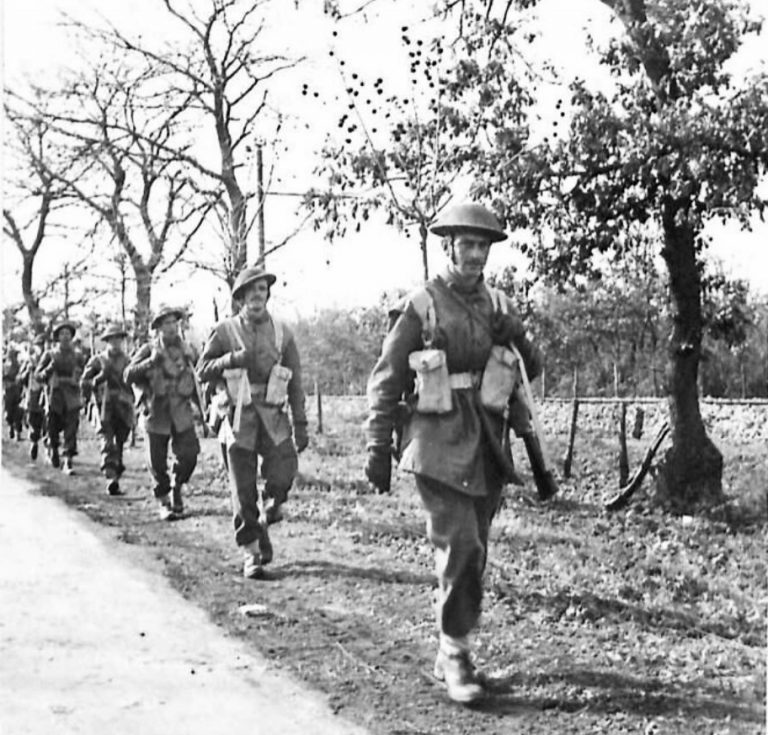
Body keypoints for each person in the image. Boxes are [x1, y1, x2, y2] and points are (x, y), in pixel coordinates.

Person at [364, 203, 545, 704]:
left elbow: (532, 368)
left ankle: (451, 648)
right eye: (466, 244)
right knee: (461, 545)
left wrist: (517, 335)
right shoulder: (422, 305)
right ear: (449, 246)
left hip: (487, 441)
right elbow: (386, 378)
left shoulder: (499, 304)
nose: (475, 254)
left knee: (474, 550)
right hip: (436, 441)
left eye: (483, 246)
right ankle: (457, 656)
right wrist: (377, 442)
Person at [197, 264, 308, 580]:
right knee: (243, 488)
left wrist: (301, 423)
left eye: (262, 290)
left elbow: (296, 381)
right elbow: (201, 370)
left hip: (273, 415)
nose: (257, 296)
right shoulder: (224, 331)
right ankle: (251, 552)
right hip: (238, 417)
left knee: (284, 472)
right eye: (250, 291)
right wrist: (231, 359)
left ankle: (268, 513)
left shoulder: (283, 332)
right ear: (240, 297)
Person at [124, 306, 200, 520]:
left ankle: (177, 485)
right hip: (156, 412)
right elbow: (128, 375)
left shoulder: (187, 349)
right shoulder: (148, 349)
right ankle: (164, 500)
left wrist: (202, 410)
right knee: (156, 462)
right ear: (158, 328)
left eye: (175, 322)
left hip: (181, 411)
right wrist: (151, 361)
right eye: (167, 323)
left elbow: (199, 377)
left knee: (190, 455)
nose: (172, 327)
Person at [81, 323, 135, 496]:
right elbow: (84, 383)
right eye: (112, 339)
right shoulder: (98, 360)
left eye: (119, 339)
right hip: (104, 406)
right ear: (107, 341)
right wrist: (98, 379)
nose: (116, 343)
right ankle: (110, 477)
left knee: (119, 443)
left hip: (123, 407)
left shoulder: (128, 361)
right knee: (107, 441)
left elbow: (135, 383)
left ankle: (116, 477)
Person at [35, 321, 86, 474]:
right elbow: (38, 375)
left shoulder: (78, 356)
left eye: (68, 334)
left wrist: (78, 378)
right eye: (62, 334)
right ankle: (53, 450)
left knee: (71, 429)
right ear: (57, 337)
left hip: (72, 396)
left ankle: (68, 461)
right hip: (54, 395)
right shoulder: (49, 354)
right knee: (52, 428)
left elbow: (85, 373)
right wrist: (49, 370)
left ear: (71, 336)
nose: (65, 337)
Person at [18, 333, 48, 460]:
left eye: (43, 344)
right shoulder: (30, 360)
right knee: (33, 420)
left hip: (47, 394)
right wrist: (27, 371)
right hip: (33, 394)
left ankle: (48, 447)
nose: (42, 347)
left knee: (48, 422)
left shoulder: (50, 359)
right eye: (39, 345)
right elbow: (21, 378)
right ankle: (34, 442)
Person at [2, 345, 24, 441]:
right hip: (8, 391)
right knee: (8, 413)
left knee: (17, 413)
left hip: (16, 391)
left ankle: (17, 432)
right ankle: (11, 427)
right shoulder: (4, 365)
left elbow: (21, 378)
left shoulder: (18, 365)